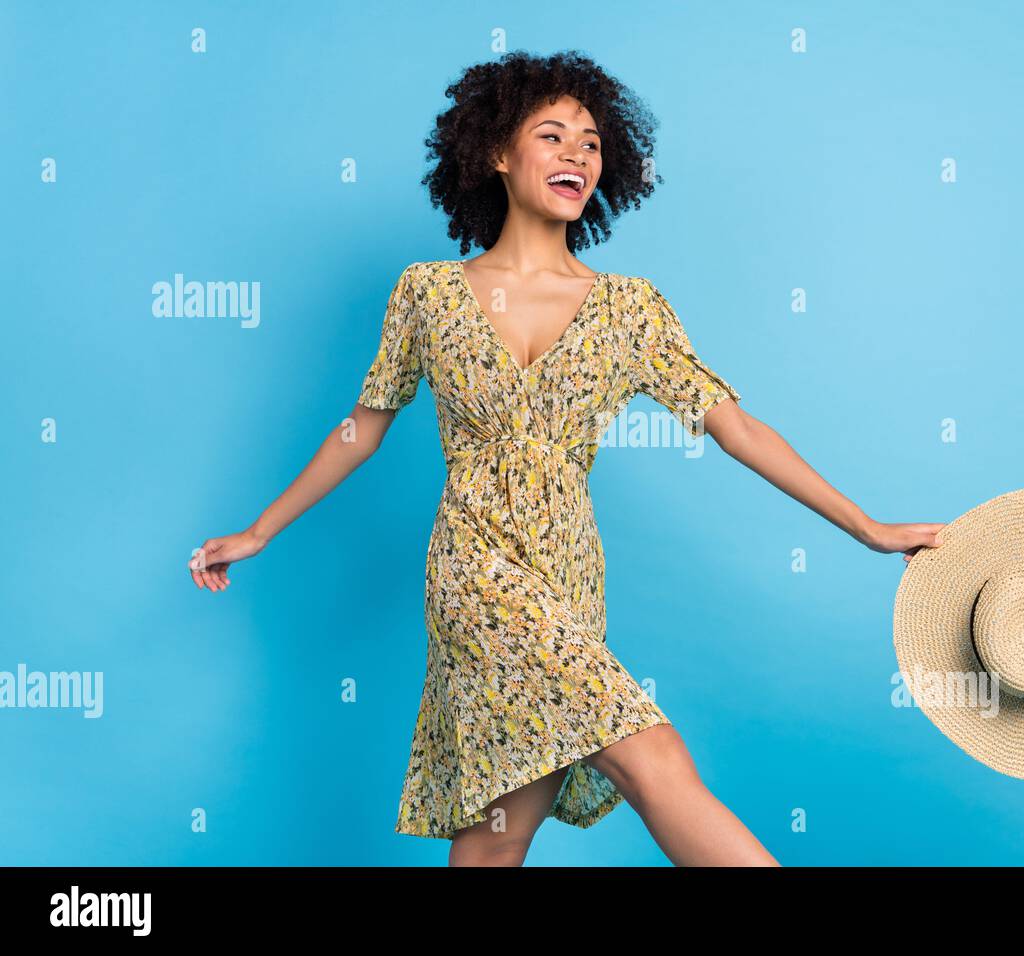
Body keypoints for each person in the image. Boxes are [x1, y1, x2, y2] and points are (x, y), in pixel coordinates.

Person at [187, 50, 945, 867]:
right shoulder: (428, 293)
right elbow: (361, 430)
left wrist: (867, 529)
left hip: (572, 572)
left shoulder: (630, 310)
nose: (578, 156)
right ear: (495, 154)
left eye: (590, 143)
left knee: (495, 835)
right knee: (654, 757)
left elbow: (739, 429)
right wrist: (261, 531)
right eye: (552, 136)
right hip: (475, 570)